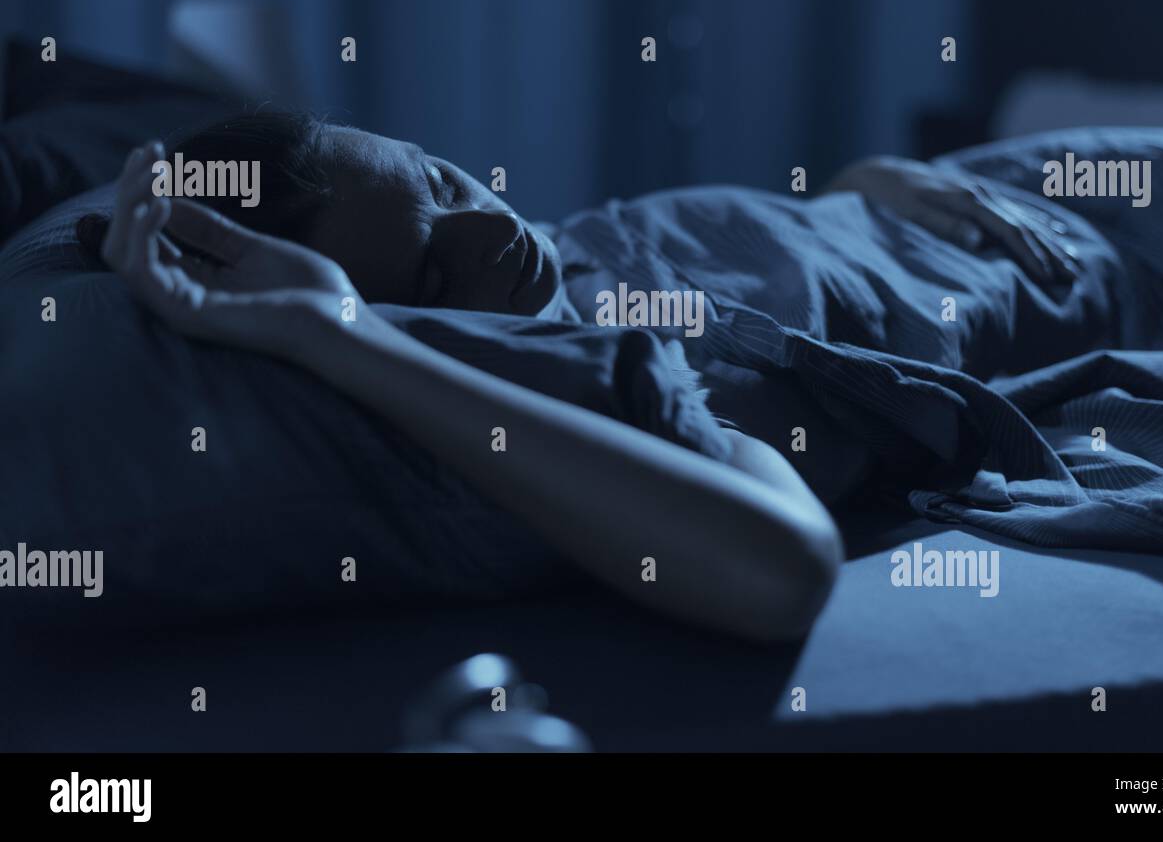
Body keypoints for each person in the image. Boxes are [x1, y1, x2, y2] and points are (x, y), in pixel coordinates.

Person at [80, 112, 1080, 641]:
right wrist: (335, 333)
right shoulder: (596, 384)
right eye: (437, 270)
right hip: (1111, 264)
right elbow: (779, 569)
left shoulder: (549, 266)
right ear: (402, 317)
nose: (492, 226)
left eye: (439, 179)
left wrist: (854, 186)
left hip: (980, 192)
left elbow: (738, 249)